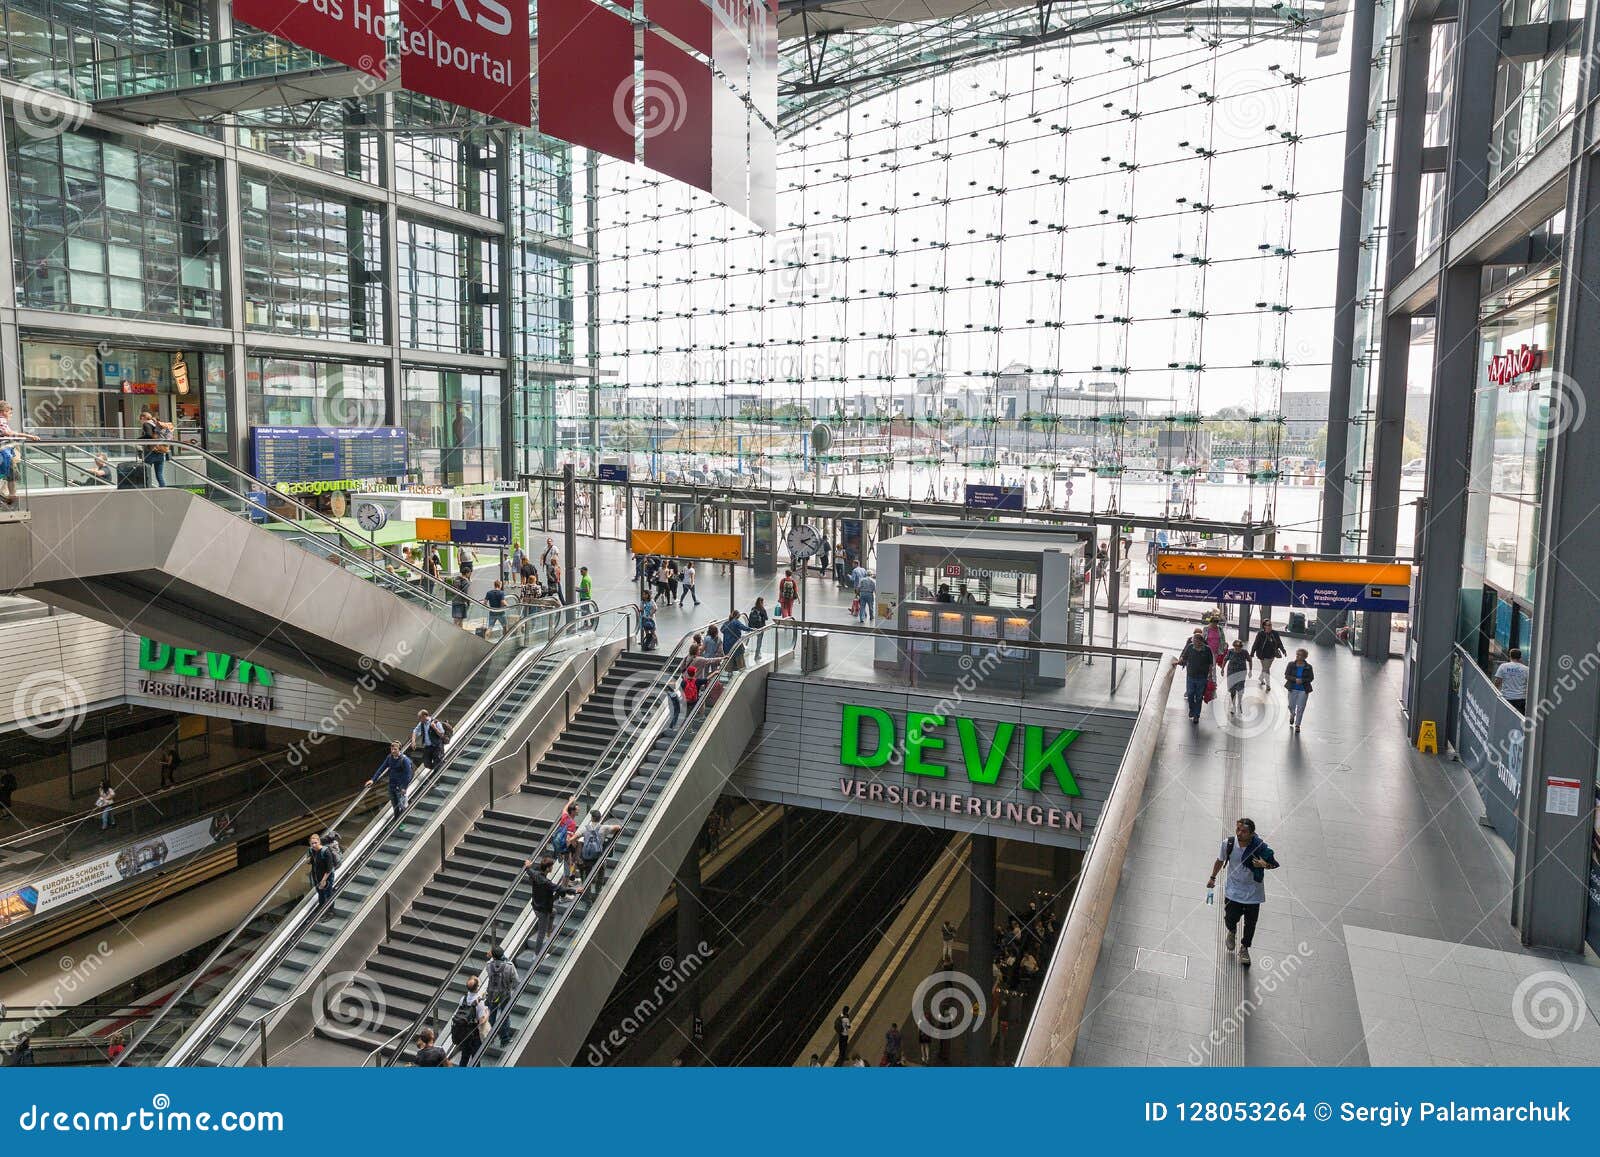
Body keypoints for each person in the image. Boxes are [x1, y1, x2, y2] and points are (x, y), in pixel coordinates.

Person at [1206, 817, 1280, 968]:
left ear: (1252, 834)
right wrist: (1212, 878)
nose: (1239, 833)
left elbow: (1274, 863)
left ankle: (1244, 948)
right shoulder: (1229, 844)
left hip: (1253, 893)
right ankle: (1232, 931)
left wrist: (1263, 864)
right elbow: (1220, 860)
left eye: (1244, 831)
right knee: (1230, 918)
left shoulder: (1259, 847)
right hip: (1233, 891)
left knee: (1250, 924)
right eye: (1238, 829)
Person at [0, 402, 39, 506]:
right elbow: (8, 433)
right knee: (10, 473)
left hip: (6, 453)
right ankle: (11, 495)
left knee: (11, 473)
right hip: (3, 453)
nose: (11, 415)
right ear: (4, 412)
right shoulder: (1, 420)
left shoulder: (3, 421)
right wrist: (28, 436)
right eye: (10, 413)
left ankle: (11, 496)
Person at [367, 740, 414, 823]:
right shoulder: (390, 757)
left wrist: (404, 787)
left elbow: (408, 775)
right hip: (392, 785)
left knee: (401, 805)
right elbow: (381, 768)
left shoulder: (404, 760)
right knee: (394, 805)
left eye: (395, 749)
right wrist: (373, 779)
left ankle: (402, 822)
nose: (393, 751)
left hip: (400, 787)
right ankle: (396, 821)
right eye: (392, 749)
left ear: (399, 749)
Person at [1174, 629, 1214, 725]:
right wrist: (1177, 662)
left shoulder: (1207, 649)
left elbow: (1210, 664)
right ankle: (1192, 710)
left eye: (1195, 641)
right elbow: (1184, 657)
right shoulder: (1190, 647)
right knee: (1191, 694)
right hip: (1191, 676)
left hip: (1202, 677)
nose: (1194, 643)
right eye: (1193, 641)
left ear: (1200, 641)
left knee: (1199, 697)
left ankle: (1196, 715)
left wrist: (1210, 675)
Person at [449, 976, 489, 1065]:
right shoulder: (479, 1002)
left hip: (464, 1032)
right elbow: (481, 1021)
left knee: (465, 1056)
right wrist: (487, 1013)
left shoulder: (463, 999)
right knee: (476, 1057)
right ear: (477, 987)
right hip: (474, 1034)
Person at [484, 945, 519, 1043]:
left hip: (492, 994)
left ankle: (490, 1038)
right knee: (505, 1015)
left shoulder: (488, 965)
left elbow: (492, 964)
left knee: (491, 1015)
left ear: (493, 956)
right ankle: (504, 1038)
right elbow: (516, 981)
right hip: (505, 994)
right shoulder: (509, 966)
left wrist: (491, 957)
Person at [138, 406, 174, 487]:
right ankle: (163, 490)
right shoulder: (155, 423)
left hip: (150, 452)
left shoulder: (146, 424)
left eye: (140, 419)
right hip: (161, 452)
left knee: (146, 473)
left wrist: (138, 440)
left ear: (143, 417)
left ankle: (148, 489)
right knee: (159, 475)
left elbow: (149, 435)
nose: (140, 421)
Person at [1283, 648, 1314, 733]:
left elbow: (1311, 678)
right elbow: (1286, 675)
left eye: (1300, 655)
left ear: (1304, 657)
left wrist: (1302, 680)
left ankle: (1297, 725)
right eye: (1297, 654)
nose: (1297, 656)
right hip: (1292, 688)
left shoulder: (1308, 667)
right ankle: (1292, 715)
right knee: (1291, 705)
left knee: (1301, 707)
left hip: (1303, 690)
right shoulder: (1291, 664)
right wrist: (1295, 679)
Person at [1251, 618, 1287, 689]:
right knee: (1266, 669)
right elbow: (1256, 644)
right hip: (1262, 655)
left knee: (1265, 668)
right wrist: (1252, 653)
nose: (1270, 626)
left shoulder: (1275, 633)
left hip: (1271, 655)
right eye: (1268, 625)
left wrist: (1283, 651)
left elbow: (1279, 643)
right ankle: (1268, 685)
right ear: (1264, 626)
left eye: (1271, 625)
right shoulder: (1260, 634)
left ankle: (1261, 678)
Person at [1221, 638, 1251, 715]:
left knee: (1240, 690)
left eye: (1239, 647)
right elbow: (1225, 659)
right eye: (1236, 647)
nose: (1237, 648)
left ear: (1241, 647)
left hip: (1241, 673)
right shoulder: (1230, 651)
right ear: (1234, 646)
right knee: (1232, 690)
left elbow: (1250, 660)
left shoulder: (1244, 652)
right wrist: (1222, 668)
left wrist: (1250, 671)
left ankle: (1239, 703)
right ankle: (1233, 705)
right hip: (1231, 672)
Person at [1495, 647, 1529, 714]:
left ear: (1510, 656)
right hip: (1521, 699)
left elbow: (1497, 682)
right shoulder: (1526, 669)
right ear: (1520, 657)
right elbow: (1529, 684)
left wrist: (1496, 693)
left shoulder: (1503, 666)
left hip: (1506, 698)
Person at [308, 833, 336, 904]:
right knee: (320, 895)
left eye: (315, 843)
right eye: (312, 843)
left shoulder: (326, 851)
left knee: (328, 894)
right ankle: (321, 908)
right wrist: (309, 860)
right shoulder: (311, 850)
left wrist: (323, 881)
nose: (314, 845)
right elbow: (313, 861)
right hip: (317, 877)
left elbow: (329, 868)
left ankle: (330, 910)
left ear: (319, 842)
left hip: (327, 877)